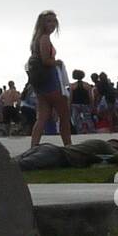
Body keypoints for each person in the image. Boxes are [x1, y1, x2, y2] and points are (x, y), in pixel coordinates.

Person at [27, 10, 71, 148]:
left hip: (40, 84)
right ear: (42, 23)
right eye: (49, 21)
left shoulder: (36, 39)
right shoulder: (45, 38)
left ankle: (34, 146)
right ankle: (68, 145)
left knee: (42, 117)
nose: (52, 24)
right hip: (51, 80)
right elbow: (46, 60)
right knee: (64, 115)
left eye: (54, 21)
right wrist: (57, 62)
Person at [69, 69, 95, 134]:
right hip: (85, 104)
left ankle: (79, 131)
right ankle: (90, 131)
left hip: (75, 104)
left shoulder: (72, 85)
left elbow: (70, 97)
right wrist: (92, 105)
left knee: (76, 119)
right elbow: (91, 97)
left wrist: (69, 106)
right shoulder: (87, 85)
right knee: (88, 118)